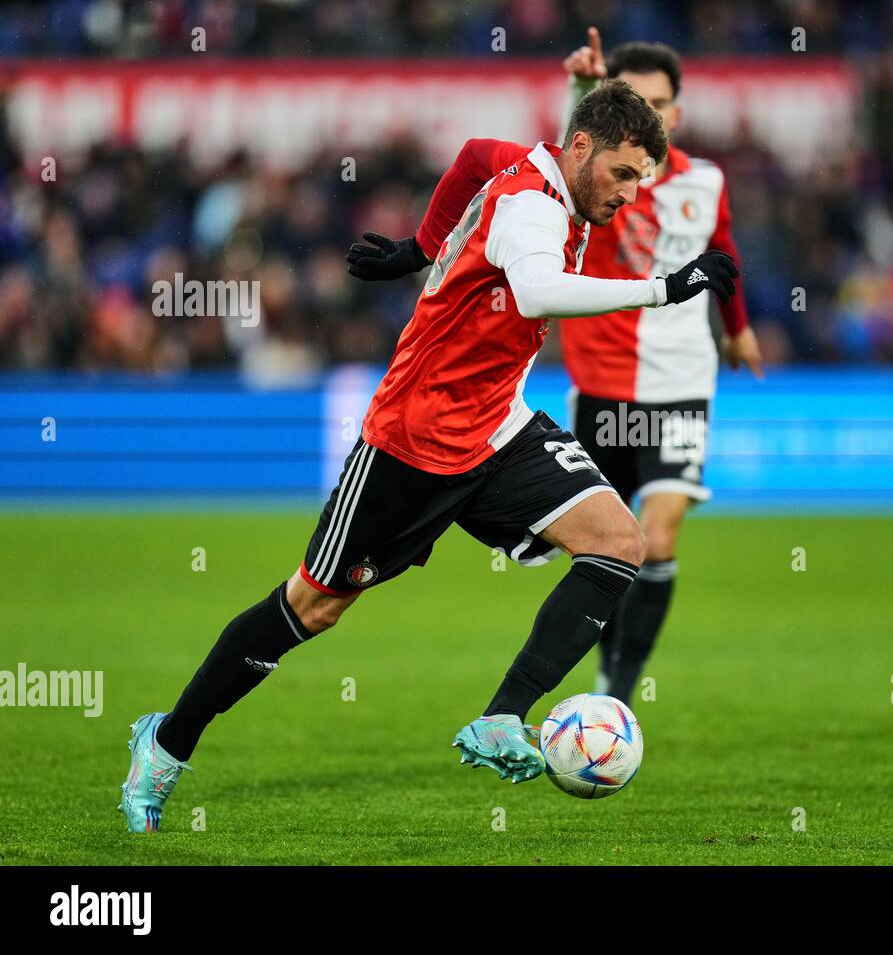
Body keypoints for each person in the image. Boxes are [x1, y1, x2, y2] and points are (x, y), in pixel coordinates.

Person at [118, 79, 738, 832]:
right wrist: (663, 288)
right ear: (581, 148)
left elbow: (475, 155)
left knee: (618, 543)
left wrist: (422, 246)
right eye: (623, 174)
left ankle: (503, 717)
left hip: (498, 426)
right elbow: (539, 291)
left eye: (643, 179)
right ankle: (166, 743)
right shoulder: (534, 207)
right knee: (313, 607)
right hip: (413, 437)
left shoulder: (530, 166)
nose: (632, 195)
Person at [348, 28, 764, 709]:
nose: (651, 120)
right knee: (603, 545)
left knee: (652, 537)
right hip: (599, 384)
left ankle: (614, 690)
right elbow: (520, 153)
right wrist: (421, 247)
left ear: (676, 115)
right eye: (639, 105)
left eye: (661, 105)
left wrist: (739, 330)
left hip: (683, 383)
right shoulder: (590, 187)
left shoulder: (702, 183)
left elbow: (724, 253)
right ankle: (531, 694)